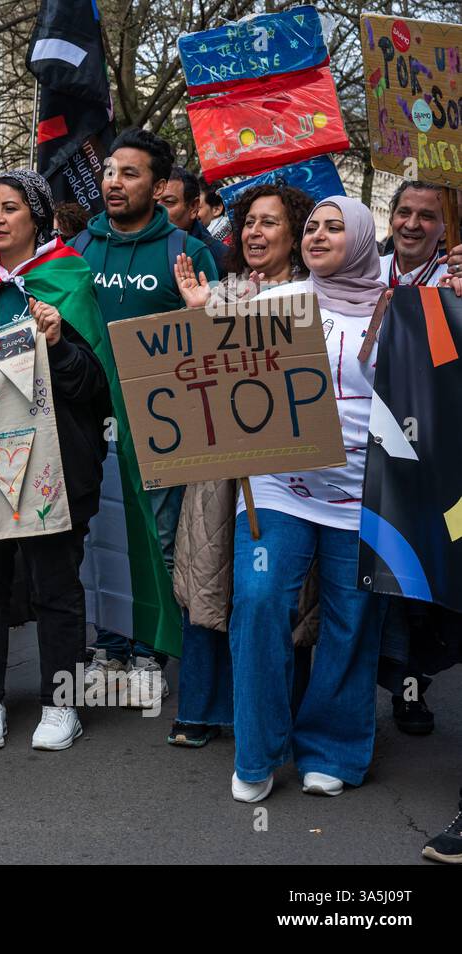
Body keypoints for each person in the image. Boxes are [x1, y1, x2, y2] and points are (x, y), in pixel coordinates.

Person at [227, 196, 386, 803]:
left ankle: (332, 749)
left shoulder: (398, 309)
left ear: (365, 240)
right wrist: (202, 319)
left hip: (363, 497)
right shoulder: (268, 303)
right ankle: (257, 751)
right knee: (260, 599)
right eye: (313, 226)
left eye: (335, 227)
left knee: (351, 619)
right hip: (277, 486)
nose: (318, 235)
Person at [0, 171, 110, 750]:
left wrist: (61, 341)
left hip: (56, 460)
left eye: (9, 208)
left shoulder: (69, 277)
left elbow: (94, 384)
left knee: (53, 583)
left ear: (35, 218)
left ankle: (60, 703)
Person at [163, 183, 313, 749]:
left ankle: (278, 713)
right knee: (209, 574)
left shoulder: (310, 296)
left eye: (269, 223)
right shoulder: (219, 292)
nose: (254, 232)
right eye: (249, 222)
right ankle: (202, 707)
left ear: (293, 234)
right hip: (218, 466)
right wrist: (198, 316)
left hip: (284, 473)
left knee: (272, 593)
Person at [72, 127, 218, 704]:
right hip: (90, 422)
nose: (113, 182)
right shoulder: (79, 249)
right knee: (100, 535)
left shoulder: (188, 251)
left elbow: (218, 338)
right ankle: (109, 643)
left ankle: (151, 648)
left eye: (129, 173)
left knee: (156, 537)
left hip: (163, 425)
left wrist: (202, 315)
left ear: (160, 187)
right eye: (109, 171)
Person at [379, 180, 449, 288]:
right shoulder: (366, 274)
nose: (411, 225)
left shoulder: (453, 282)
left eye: (426, 216)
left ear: (444, 231)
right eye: (404, 213)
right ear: (391, 218)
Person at [159, 165, 229, 274]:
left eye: (168, 202)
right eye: (152, 201)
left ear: (193, 207)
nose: (158, 209)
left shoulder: (221, 258)